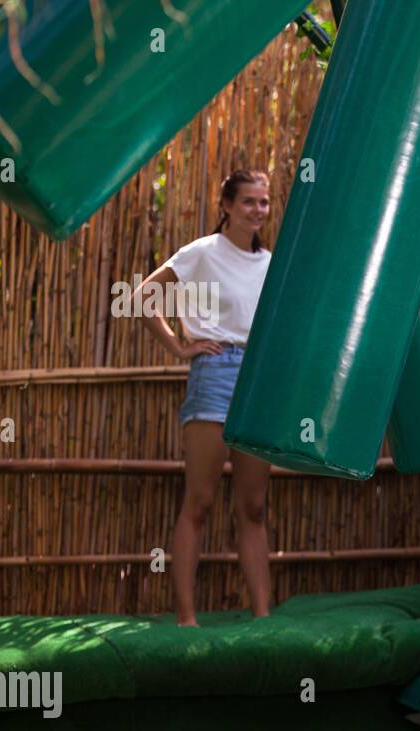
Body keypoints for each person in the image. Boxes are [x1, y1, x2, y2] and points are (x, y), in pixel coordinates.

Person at [137, 170, 275, 627]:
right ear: (227, 205)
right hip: (214, 374)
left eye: (264, 202)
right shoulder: (201, 254)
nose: (257, 210)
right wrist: (178, 345)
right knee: (199, 500)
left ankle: (261, 615)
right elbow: (145, 296)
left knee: (253, 506)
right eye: (249, 201)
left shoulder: (272, 263)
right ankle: (186, 617)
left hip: (257, 380)